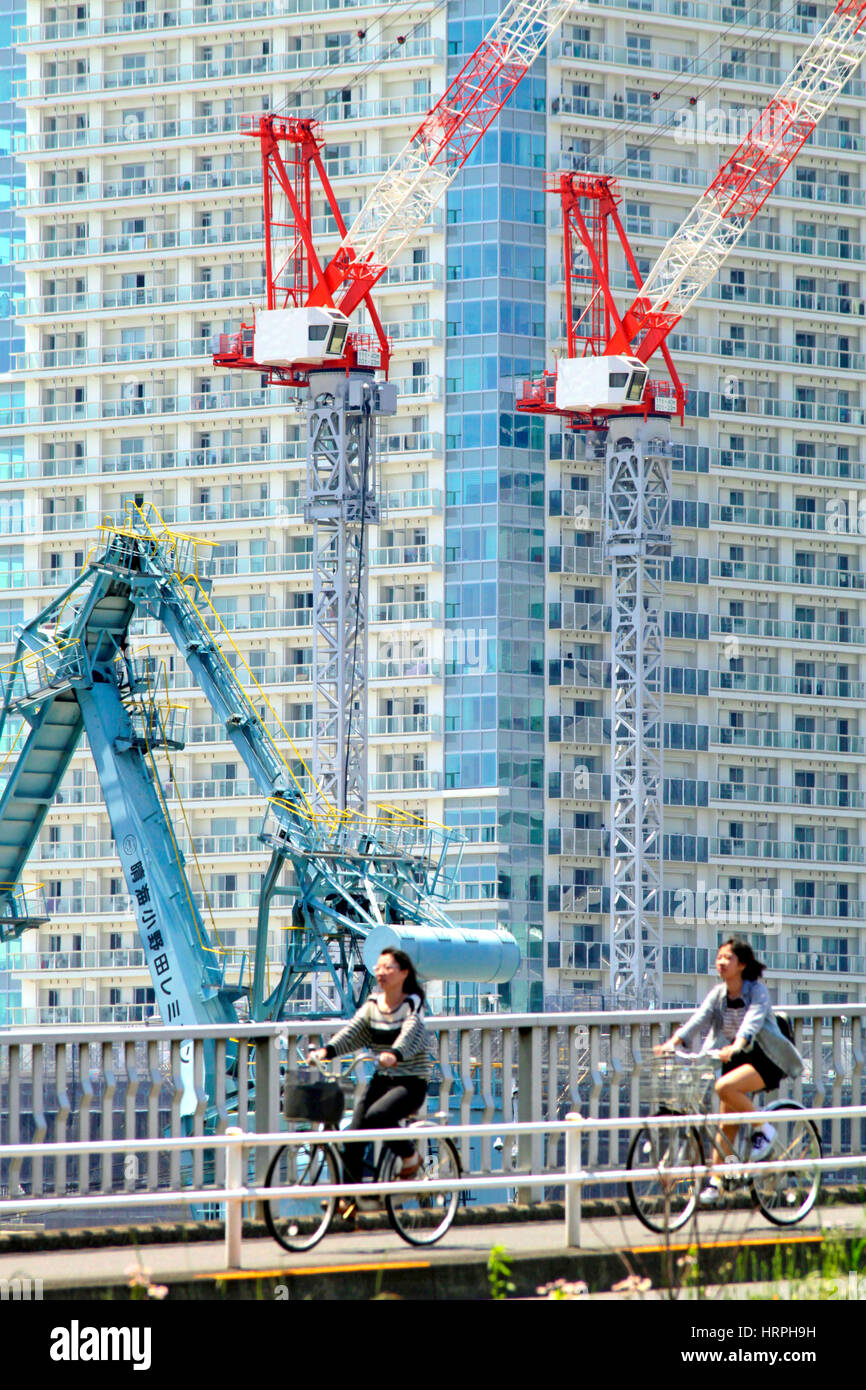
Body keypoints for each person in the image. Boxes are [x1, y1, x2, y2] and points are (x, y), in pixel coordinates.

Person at [656, 937, 803, 1205]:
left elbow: (752, 1022)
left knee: (724, 1088)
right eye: (719, 957)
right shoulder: (718, 994)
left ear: (742, 965)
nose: (721, 962)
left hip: (764, 1058)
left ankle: (764, 1130)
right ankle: (719, 1179)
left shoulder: (756, 991)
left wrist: (737, 1044)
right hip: (733, 1060)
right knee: (726, 1125)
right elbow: (698, 1019)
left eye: (728, 958)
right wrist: (674, 1042)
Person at [308, 949, 432, 1205]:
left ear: (404, 973)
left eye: (388, 968)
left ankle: (410, 1157)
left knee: (377, 1117)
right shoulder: (373, 1005)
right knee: (354, 1132)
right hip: (382, 1079)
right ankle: (349, 1199)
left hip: (410, 1082)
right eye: (379, 968)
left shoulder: (412, 1003)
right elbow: (353, 1031)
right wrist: (327, 1050)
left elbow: (412, 1032)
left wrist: (395, 1053)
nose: (381, 973)